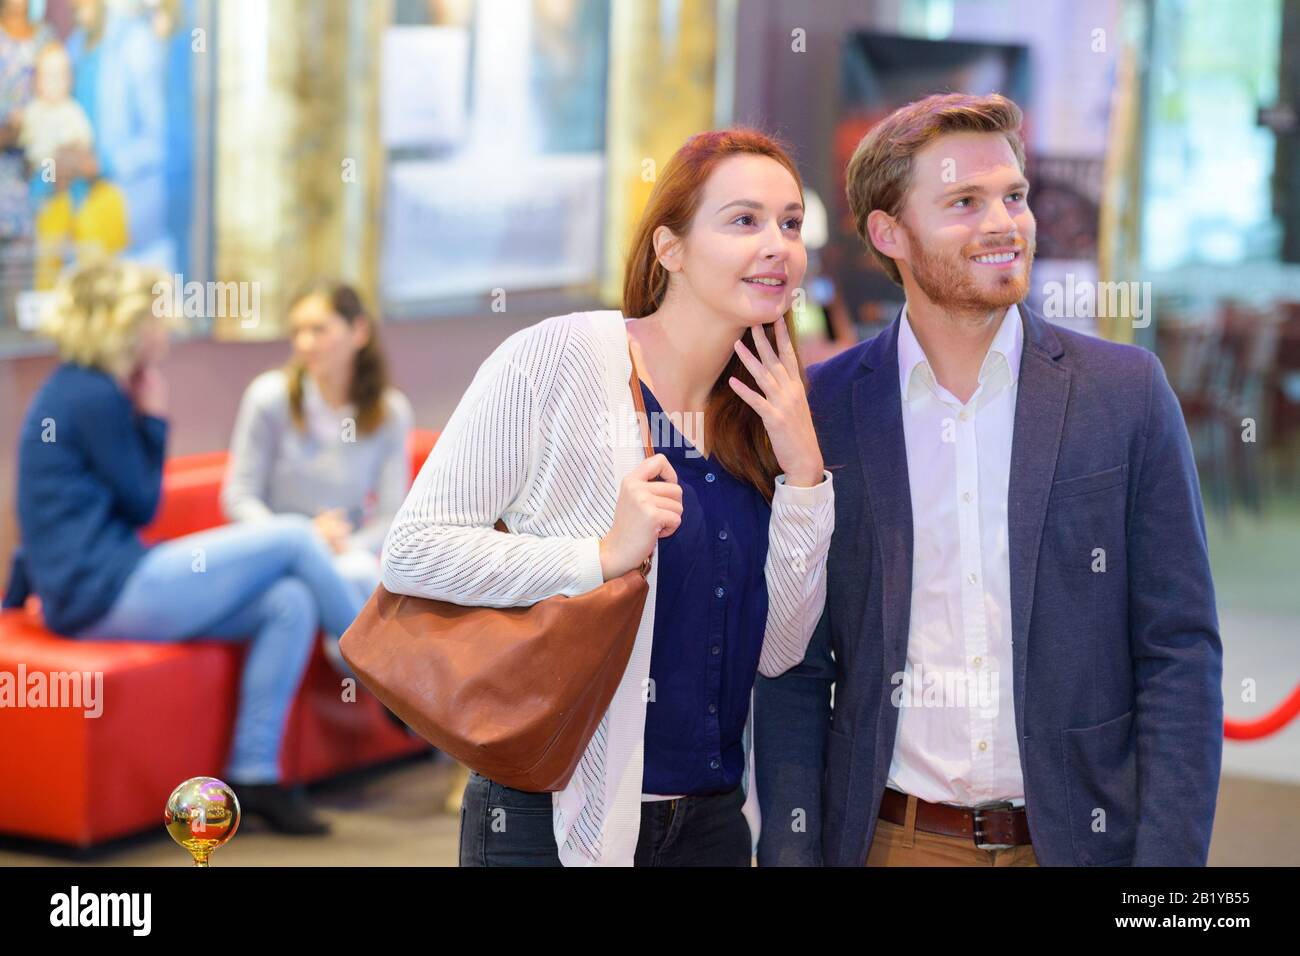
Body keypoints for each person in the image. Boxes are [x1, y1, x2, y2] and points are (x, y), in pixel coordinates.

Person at [754, 92, 1223, 867]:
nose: (1004, 223)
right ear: (889, 232)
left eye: (1014, 196)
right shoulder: (823, 413)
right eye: (964, 202)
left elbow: (1179, 652)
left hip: (1077, 840)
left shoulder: (1125, 393)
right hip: (892, 841)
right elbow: (797, 667)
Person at [382, 128, 835, 866]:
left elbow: (781, 650)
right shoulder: (560, 358)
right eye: (744, 220)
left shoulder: (767, 413)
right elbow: (412, 552)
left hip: (711, 825)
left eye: (791, 223)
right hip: (549, 816)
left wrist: (806, 480)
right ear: (671, 250)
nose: (778, 244)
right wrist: (599, 556)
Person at [2, 259, 369, 836]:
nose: (166, 329)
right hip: (106, 595)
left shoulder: (73, 388)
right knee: (296, 536)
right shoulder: (94, 395)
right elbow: (144, 502)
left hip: (101, 587)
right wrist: (152, 417)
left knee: (291, 601)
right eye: (157, 317)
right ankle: (377, 669)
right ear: (127, 325)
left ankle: (253, 775)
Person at [221, 281, 413, 621]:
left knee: (360, 575)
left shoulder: (390, 412)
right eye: (297, 331)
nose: (305, 343)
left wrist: (346, 546)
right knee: (348, 584)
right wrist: (303, 539)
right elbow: (239, 497)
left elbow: (392, 518)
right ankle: (384, 671)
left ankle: (371, 668)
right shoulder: (269, 397)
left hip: (345, 552)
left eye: (319, 329)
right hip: (275, 551)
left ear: (359, 331)